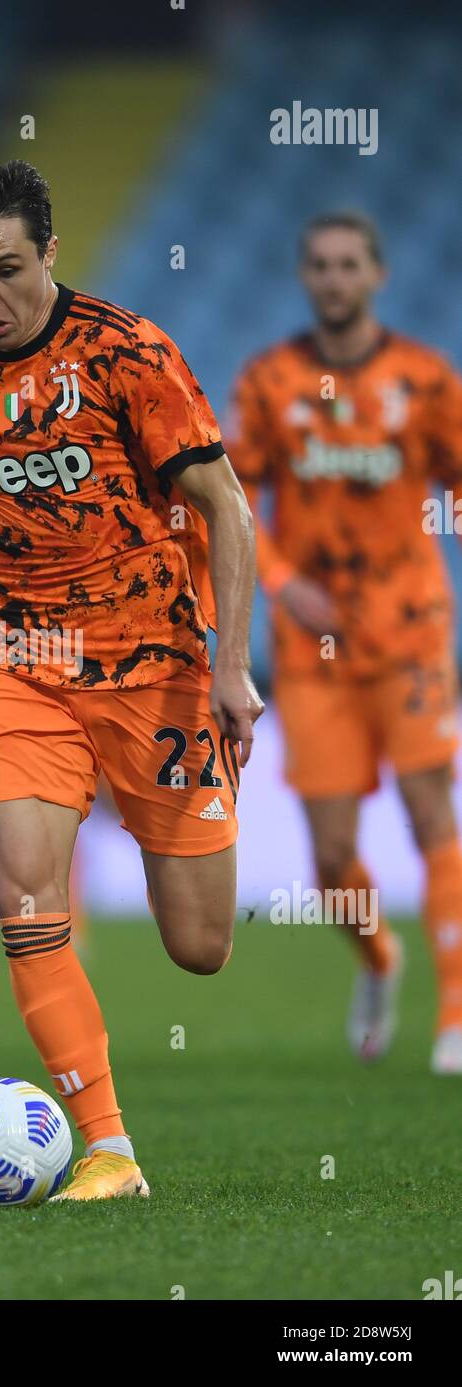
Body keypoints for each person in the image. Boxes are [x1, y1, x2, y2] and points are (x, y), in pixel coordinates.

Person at [0, 160, 263, 1199]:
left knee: (199, 946)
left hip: (158, 670)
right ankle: (108, 1149)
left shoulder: (127, 355)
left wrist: (230, 672)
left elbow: (227, 507)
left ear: (48, 251)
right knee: (23, 890)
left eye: (5, 269)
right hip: (22, 663)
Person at [228, 211, 462, 1073]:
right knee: (330, 856)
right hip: (313, 654)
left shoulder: (427, 381)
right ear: (305, 277)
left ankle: (456, 1018)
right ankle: (379, 959)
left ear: (378, 276)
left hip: (411, 636)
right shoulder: (269, 382)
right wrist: (285, 585)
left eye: (349, 264)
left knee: (432, 816)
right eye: (320, 265)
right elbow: (233, 504)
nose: (334, 278)